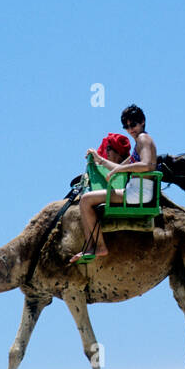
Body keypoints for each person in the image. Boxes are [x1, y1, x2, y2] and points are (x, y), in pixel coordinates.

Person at [70, 105, 157, 264]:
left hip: (138, 192)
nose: (130, 130)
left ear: (142, 122)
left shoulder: (144, 139)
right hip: (136, 189)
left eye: (133, 125)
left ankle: (99, 247)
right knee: (87, 199)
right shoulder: (139, 142)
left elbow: (147, 165)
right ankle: (90, 246)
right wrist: (99, 159)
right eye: (126, 126)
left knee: (86, 200)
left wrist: (120, 170)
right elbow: (120, 167)